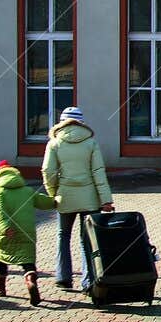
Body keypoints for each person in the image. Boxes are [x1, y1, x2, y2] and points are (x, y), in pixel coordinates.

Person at [42, 107, 114, 291]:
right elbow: (98, 172)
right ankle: (88, 280)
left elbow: (48, 171)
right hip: (89, 198)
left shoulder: (55, 143)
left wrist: (53, 193)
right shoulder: (91, 142)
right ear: (81, 122)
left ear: (62, 121)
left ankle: (63, 277)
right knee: (87, 239)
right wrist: (105, 199)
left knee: (63, 236)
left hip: (65, 196)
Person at [0, 160, 56, 306]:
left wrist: (5, 225)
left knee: (2, 257)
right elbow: (43, 202)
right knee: (27, 259)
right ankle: (30, 279)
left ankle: (0, 287)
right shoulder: (27, 191)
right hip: (27, 231)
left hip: (8, 231)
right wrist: (55, 201)